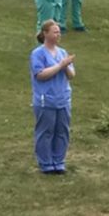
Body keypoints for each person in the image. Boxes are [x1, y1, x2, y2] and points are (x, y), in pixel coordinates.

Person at [30, 20, 75, 175]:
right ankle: (46, 163)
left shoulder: (62, 52)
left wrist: (67, 65)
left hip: (63, 98)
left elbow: (71, 75)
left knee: (62, 131)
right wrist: (60, 66)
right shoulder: (38, 53)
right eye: (55, 31)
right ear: (45, 34)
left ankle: (59, 161)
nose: (58, 34)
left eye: (59, 31)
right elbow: (41, 75)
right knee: (46, 131)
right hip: (46, 99)